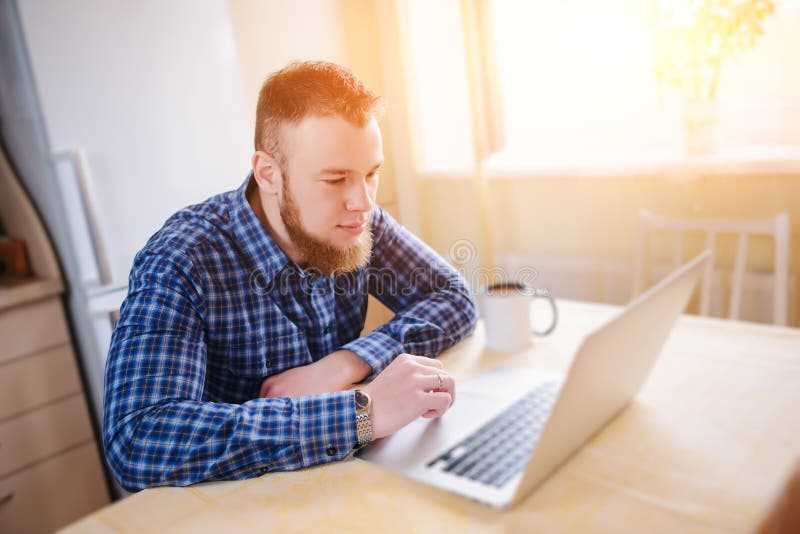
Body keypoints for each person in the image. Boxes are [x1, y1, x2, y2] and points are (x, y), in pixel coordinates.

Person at [103, 61, 477, 491]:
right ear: (268, 174)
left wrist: (344, 364)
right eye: (335, 179)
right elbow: (138, 438)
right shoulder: (182, 259)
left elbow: (452, 296)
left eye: (371, 173)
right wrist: (362, 413)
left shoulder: (356, 219)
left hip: (346, 485)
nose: (363, 202)